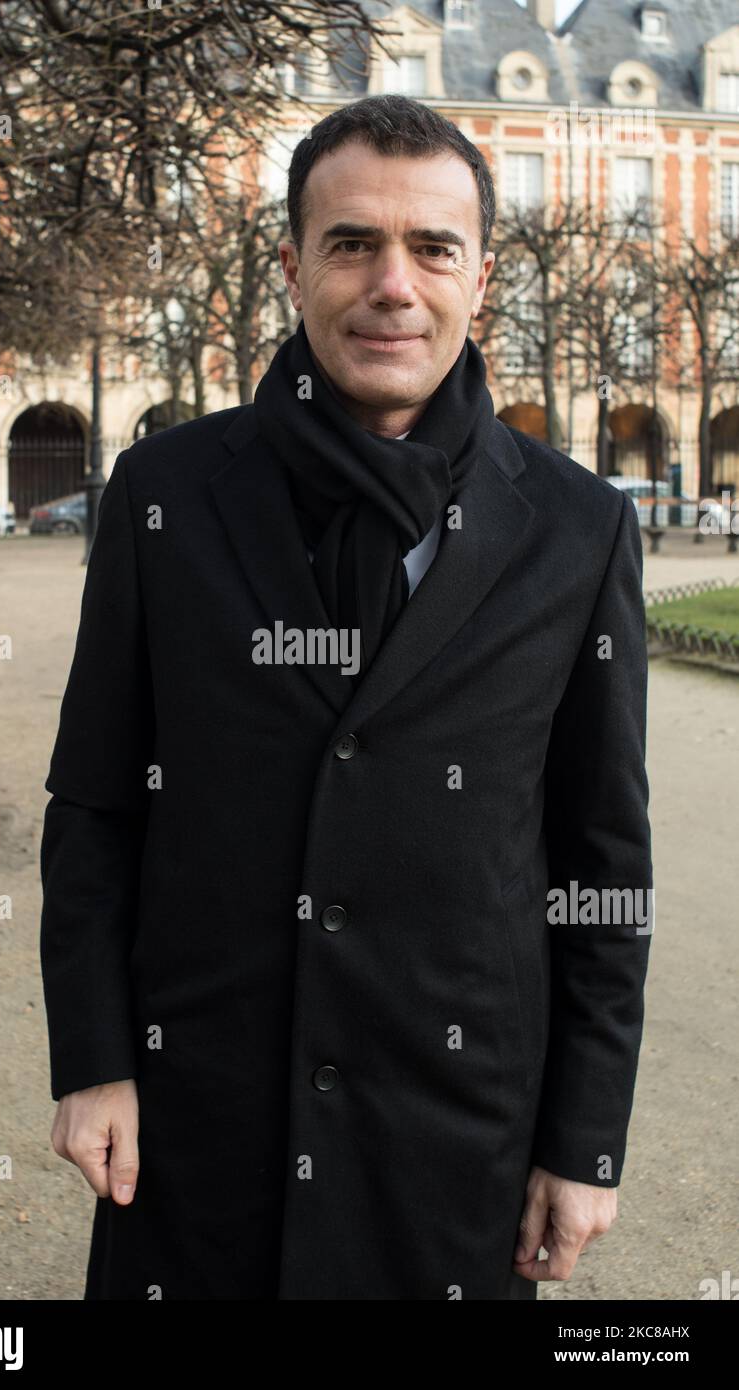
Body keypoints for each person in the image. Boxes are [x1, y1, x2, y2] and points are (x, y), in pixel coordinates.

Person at [40, 94, 653, 1300]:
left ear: (482, 280)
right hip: (203, 1126)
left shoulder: (583, 530)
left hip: (453, 1140)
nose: (394, 282)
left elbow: (602, 858)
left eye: (433, 248)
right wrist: (96, 1058)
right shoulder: (163, 494)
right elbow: (95, 803)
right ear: (291, 266)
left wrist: (582, 1141)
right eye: (352, 242)